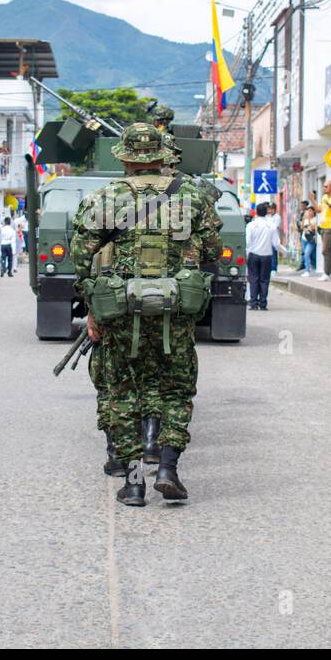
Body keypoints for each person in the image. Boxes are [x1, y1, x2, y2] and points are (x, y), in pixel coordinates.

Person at [70, 122, 222, 506]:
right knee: (174, 388)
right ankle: (168, 468)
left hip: (120, 309)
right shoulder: (194, 196)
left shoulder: (105, 197)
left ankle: (134, 482)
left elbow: (81, 258)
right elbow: (213, 252)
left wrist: (91, 309)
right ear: (162, 157)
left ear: (124, 158)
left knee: (121, 392)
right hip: (176, 310)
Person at [246, 203, 281, 311]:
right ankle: (263, 304)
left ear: (256, 212)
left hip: (253, 255)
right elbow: (276, 243)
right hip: (267, 256)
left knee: (253, 279)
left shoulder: (251, 225)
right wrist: (285, 252)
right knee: (264, 280)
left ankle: (253, 303)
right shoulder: (271, 226)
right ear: (266, 212)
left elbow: (247, 242)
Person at [299, 206, 319, 276]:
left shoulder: (316, 219)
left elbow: (314, 228)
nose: (309, 212)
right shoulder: (305, 219)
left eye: (310, 211)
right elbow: (301, 228)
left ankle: (307, 270)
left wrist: (309, 220)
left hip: (311, 240)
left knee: (307, 254)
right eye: (308, 211)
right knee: (306, 254)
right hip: (304, 239)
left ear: (314, 212)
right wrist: (303, 219)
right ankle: (309, 268)